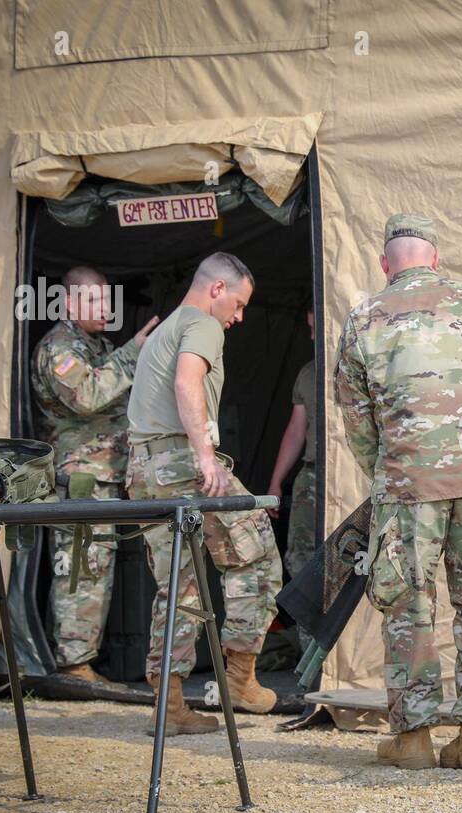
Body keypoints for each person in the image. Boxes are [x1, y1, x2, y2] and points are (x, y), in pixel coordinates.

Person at [335, 214, 462, 770]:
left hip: (407, 484)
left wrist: (395, 465)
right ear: (435, 258)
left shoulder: (363, 318)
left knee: (408, 607)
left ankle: (415, 739)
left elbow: (356, 419)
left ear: (385, 264)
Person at [125, 252, 283, 735]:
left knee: (180, 585)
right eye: (237, 304)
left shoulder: (170, 327)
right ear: (216, 289)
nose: (237, 318)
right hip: (181, 465)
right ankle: (239, 677)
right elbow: (187, 381)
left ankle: (168, 705)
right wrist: (205, 455)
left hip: (145, 470)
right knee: (256, 557)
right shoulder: (201, 323)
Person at [31, 265, 159, 683]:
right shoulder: (59, 347)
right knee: (81, 569)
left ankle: (82, 659)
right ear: (69, 303)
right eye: (95, 301)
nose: (106, 309)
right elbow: (86, 396)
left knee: (96, 569)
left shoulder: (93, 344)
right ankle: (72, 663)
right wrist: (133, 350)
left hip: (104, 475)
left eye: (108, 301)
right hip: (81, 477)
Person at [267, 309, 319, 635]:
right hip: (311, 479)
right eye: (310, 327)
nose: (312, 337)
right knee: (301, 563)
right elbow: (295, 432)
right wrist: (275, 484)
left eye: (316, 328)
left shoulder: (361, 364)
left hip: (352, 477)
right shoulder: (308, 373)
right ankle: (307, 651)